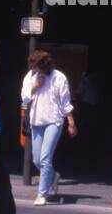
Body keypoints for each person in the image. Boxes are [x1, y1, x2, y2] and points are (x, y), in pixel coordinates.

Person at [21, 50, 77, 206]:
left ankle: (42, 194)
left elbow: (65, 102)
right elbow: (24, 98)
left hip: (54, 120)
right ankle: (53, 176)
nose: (36, 70)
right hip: (36, 120)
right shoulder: (30, 77)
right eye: (34, 67)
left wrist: (71, 122)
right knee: (36, 160)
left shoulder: (59, 77)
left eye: (38, 67)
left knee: (45, 158)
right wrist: (35, 86)